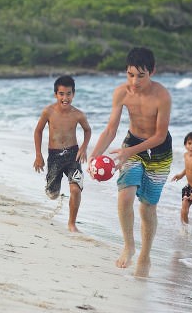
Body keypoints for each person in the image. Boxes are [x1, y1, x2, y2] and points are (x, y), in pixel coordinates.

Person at [89, 47, 173, 277]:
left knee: (147, 207)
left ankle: (145, 255)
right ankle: (128, 245)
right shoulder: (122, 93)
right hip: (133, 143)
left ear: (152, 72)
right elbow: (110, 129)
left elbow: (160, 136)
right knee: (125, 196)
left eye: (140, 76)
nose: (134, 81)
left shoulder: (162, 96)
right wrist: (94, 154)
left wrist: (129, 152)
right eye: (130, 74)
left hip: (159, 151)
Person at [33, 75, 91, 232]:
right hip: (54, 156)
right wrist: (39, 155)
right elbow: (38, 131)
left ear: (74, 94)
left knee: (75, 189)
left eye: (69, 94)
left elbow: (87, 130)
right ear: (55, 94)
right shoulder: (48, 112)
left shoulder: (78, 114)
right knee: (52, 194)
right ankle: (53, 188)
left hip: (73, 155)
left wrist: (84, 148)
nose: (65, 98)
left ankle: (72, 224)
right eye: (61, 94)